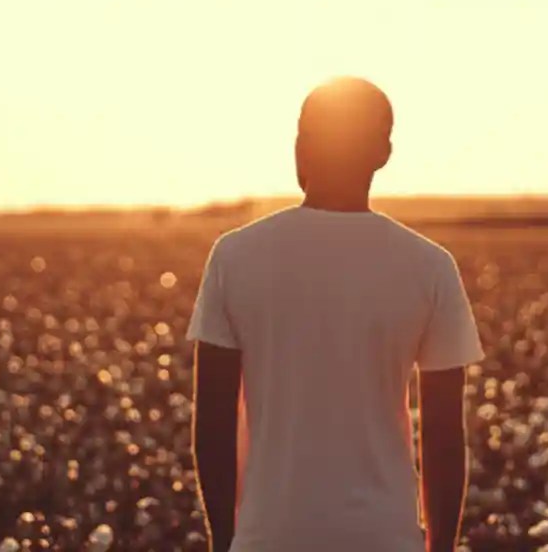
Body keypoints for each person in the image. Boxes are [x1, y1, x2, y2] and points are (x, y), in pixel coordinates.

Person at [187, 77, 485, 552]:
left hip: (268, 540)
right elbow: (444, 434)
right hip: (384, 538)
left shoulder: (235, 257)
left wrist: (224, 541)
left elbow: (213, 425)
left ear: (300, 146)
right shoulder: (429, 266)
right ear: (384, 152)